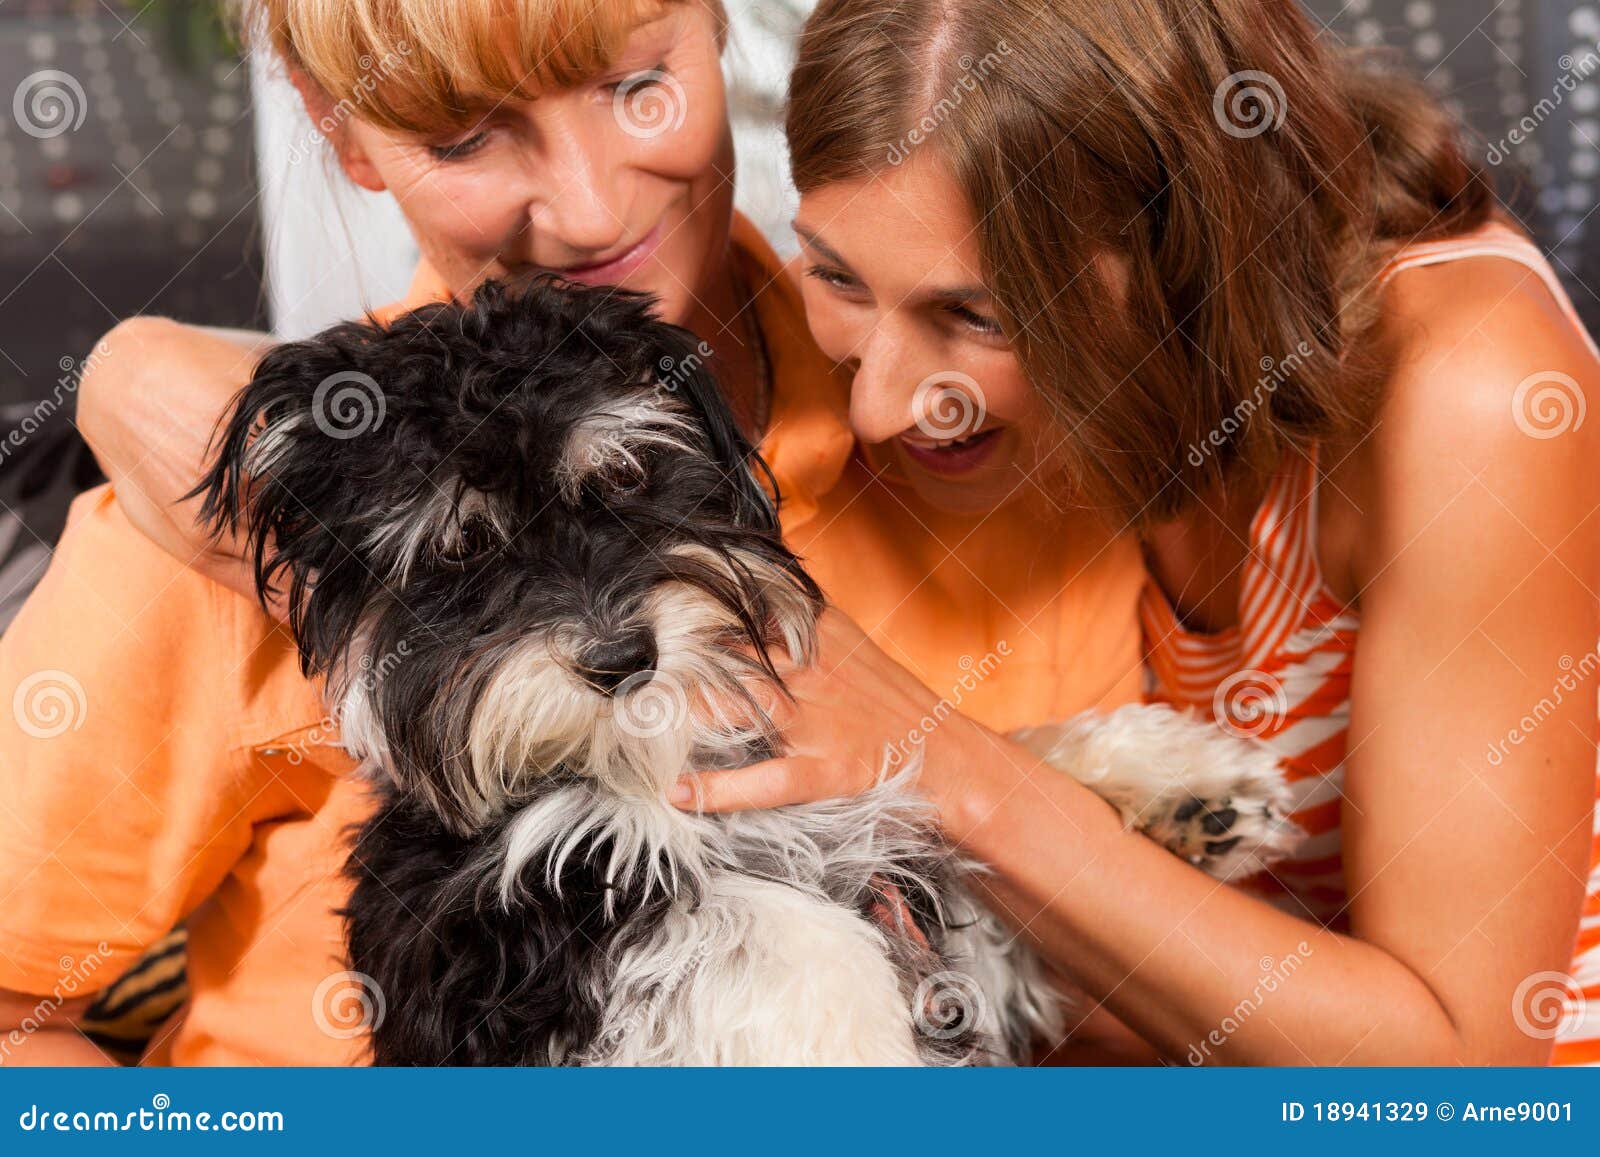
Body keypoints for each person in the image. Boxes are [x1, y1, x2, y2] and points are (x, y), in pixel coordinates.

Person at [0, 0, 1141, 1064]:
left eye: (638, 84)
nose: (591, 210)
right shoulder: (231, 526)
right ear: (338, 129)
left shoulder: (991, 426)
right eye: (465, 139)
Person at [673, 0, 1600, 1065]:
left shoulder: (1472, 386)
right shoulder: (1062, 402)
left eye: (976, 316)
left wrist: (943, 766)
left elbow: (1458, 1077)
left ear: (1187, 253)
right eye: (837, 274)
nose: (879, 407)